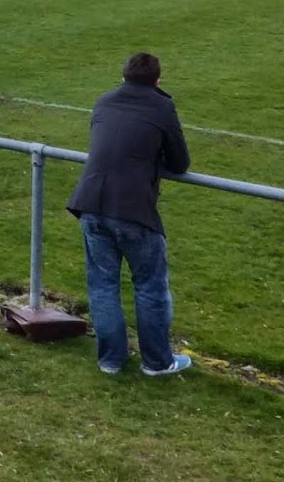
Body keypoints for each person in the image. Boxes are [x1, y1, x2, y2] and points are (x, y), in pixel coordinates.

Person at [67, 52, 192, 377]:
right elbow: (180, 163)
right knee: (149, 286)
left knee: (102, 284)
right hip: (133, 210)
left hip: (91, 203)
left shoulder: (104, 101)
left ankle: (111, 360)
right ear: (157, 81)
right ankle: (156, 362)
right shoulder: (162, 106)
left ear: (123, 77)